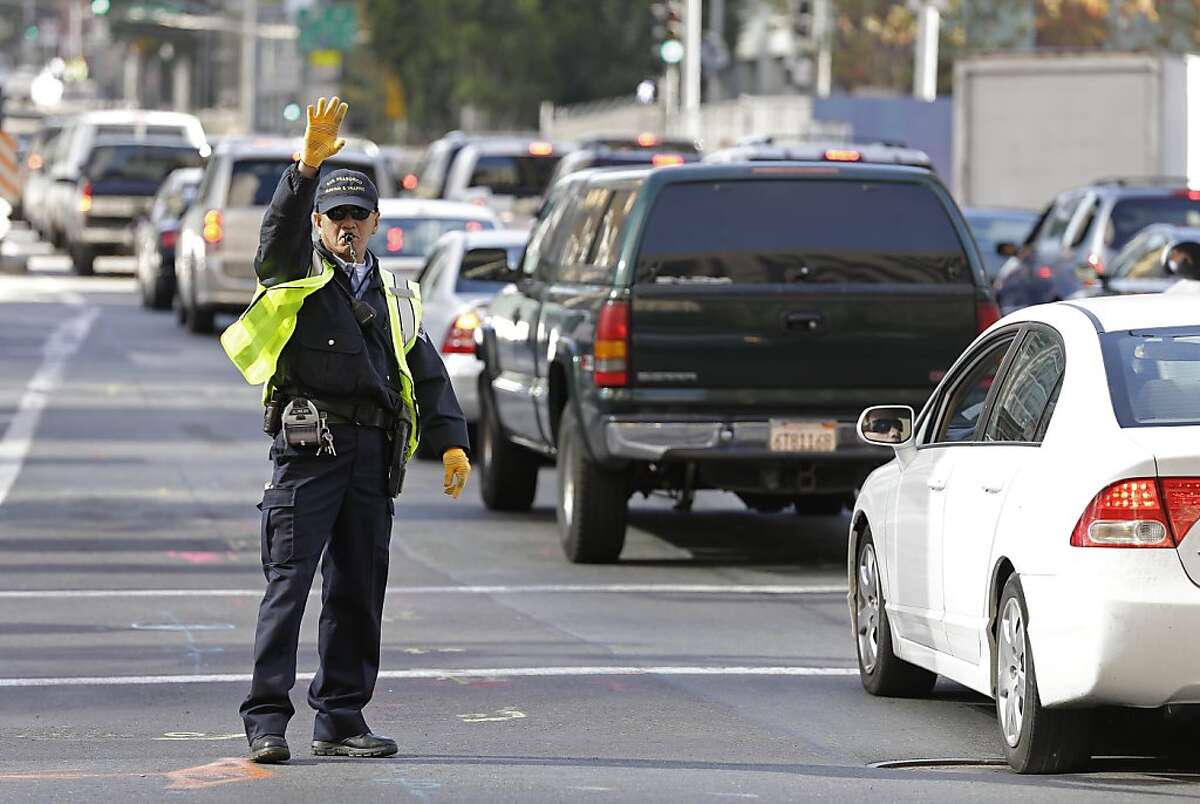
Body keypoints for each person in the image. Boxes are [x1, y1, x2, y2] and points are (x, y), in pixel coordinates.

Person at [220, 97, 472, 764]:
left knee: (359, 591)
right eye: (336, 216)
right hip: (311, 450)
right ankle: (266, 721)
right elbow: (275, 239)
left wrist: (452, 441)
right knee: (289, 587)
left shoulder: (393, 294)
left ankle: (341, 717)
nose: (347, 226)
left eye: (358, 215)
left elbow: (424, 366)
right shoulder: (298, 277)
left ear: (377, 222)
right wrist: (305, 168)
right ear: (322, 223)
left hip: (370, 456)